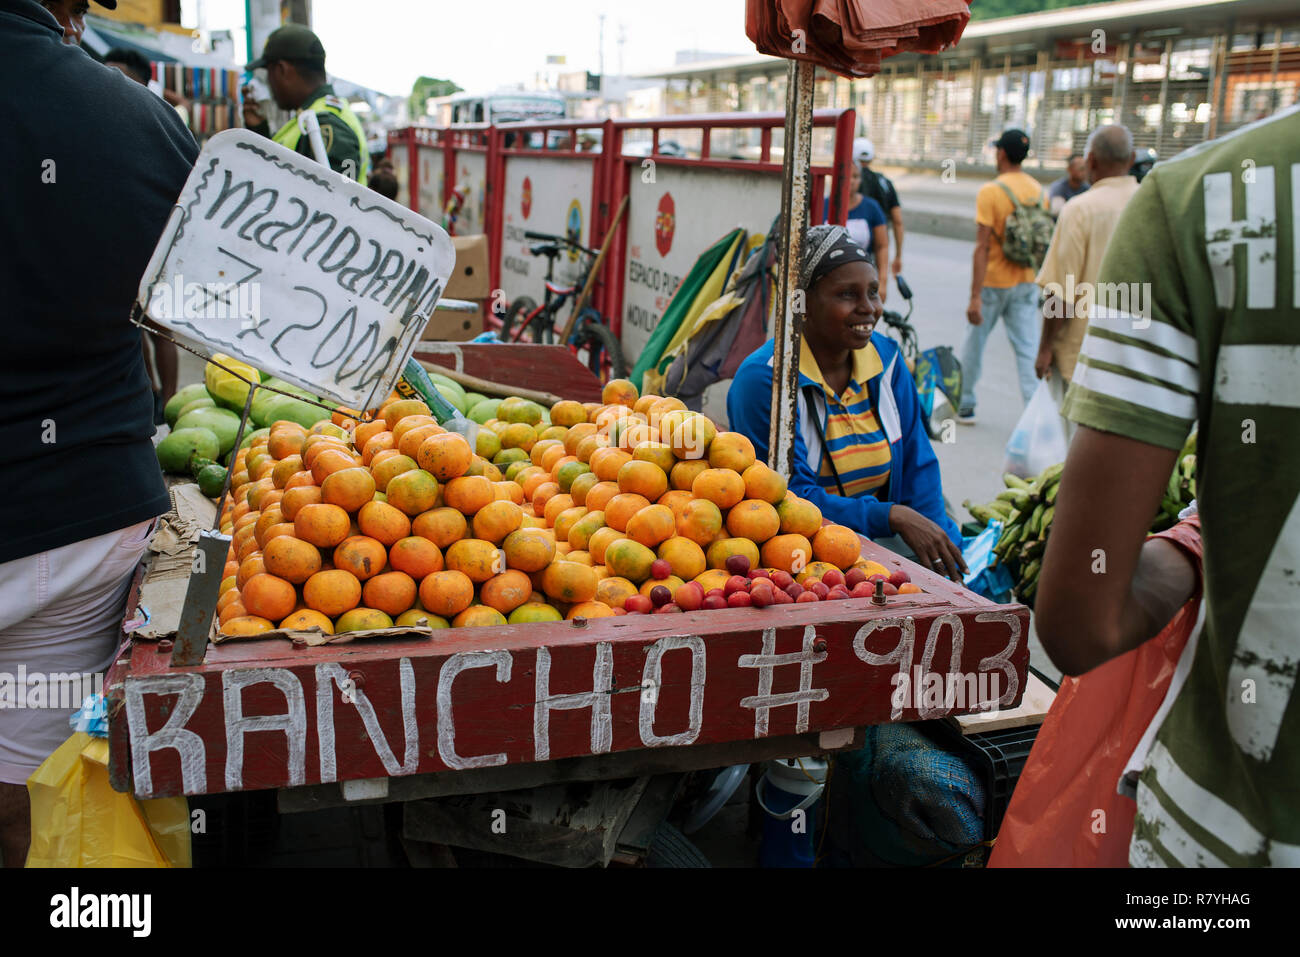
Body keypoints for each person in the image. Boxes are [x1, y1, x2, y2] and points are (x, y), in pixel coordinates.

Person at [1037, 104, 1300, 866]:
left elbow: (1079, 624)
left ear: (1090, 163)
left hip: (1228, 834)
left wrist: (1190, 542)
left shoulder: (1207, 197)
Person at [0, 0, 198, 866]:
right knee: (31, 799)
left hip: (75, 510)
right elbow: (200, 305)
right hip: (78, 522)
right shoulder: (138, 123)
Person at [728, 226, 966, 580]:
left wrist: (935, 549)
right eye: (847, 295)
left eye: (872, 292)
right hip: (807, 555)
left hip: (886, 537)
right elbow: (790, 498)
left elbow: (918, 462)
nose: (869, 308)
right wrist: (891, 516)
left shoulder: (886, 360)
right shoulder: (765, 382)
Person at [1033, 124, 1138, 439]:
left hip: (1082, 354)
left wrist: (1044, 349)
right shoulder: (1152, 202)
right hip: (1135, 351)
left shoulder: (1080, 209)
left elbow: (1061, 294)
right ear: (1131, 158)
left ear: (1091, 160)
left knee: (1071, 449)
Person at [104, 46, 182, 420]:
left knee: (158, 327)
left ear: (143, 80)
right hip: (117, 247)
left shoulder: (156, 119)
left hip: (154, 247)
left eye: (120, 74)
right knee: (131, 329)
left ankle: (168, 402)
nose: (110, 81)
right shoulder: (100, 117)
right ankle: (150, 395)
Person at [959, 128, 1046, 424]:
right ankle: (1035, 414)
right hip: (1026, 281)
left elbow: (981, 247)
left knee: (974, 344)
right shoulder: (1038, 190)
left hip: (994, 282)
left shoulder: (991, 191)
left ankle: (965, 404)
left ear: (1002, 154)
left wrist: (974, 297)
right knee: (1027, 350)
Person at [242, 24, 368, 182]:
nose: (269, 81)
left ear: (282, 69)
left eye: (269, 72)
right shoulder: (312, 116)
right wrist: (258, 130)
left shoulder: (322, 124)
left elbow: (337, 199)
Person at [824, 161, 888, 300]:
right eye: (847, 176)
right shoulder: (822, 205)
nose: (851, 181)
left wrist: (883, 281)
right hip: (829, 281)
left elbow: (882, 246)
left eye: (856, 176)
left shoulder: (872, 207)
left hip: (863, 280)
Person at [854, 138, 904, 278]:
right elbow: (898, 221)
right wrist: (898, 255)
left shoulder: (849, 181)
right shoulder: (885, 183)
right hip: (879, 244)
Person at [1046, 153, 1088, 217]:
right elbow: (1057, 212)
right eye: (1081, 169)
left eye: (1086, 169)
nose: (1084, 172)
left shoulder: (1087, 189)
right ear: (1069, 169)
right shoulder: (1058, 188)